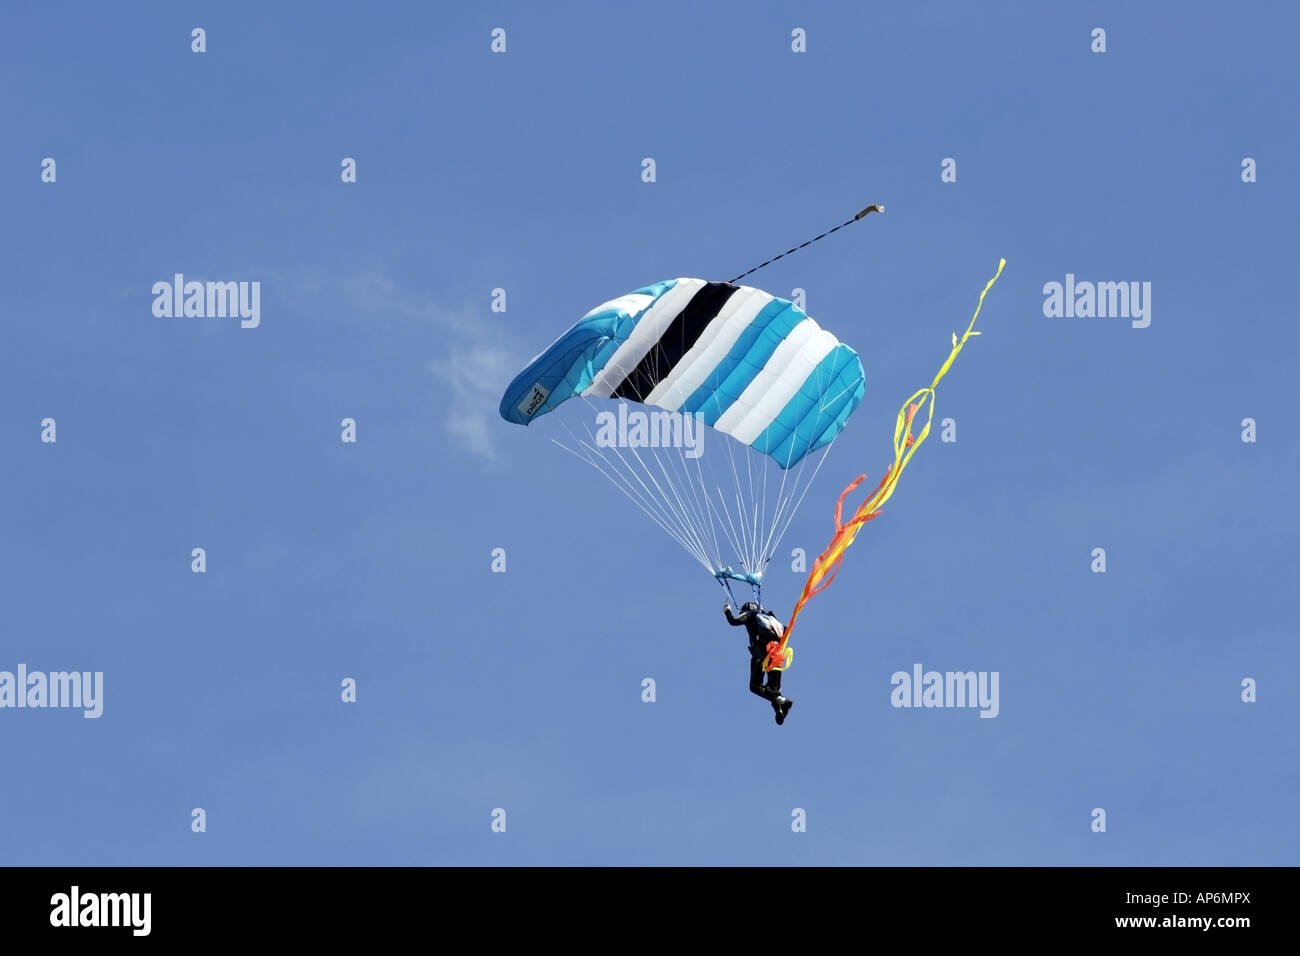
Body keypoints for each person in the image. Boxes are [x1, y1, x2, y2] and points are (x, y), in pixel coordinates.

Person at [724, 601, 794, 724]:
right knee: (774, 689)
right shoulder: (770, 617)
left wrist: (727, 610)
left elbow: (733, 621)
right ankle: (780, 708)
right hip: (776, 654)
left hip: (761, 655)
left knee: (755, 686)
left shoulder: (750, 615)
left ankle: (779, 701)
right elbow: (786, 631)